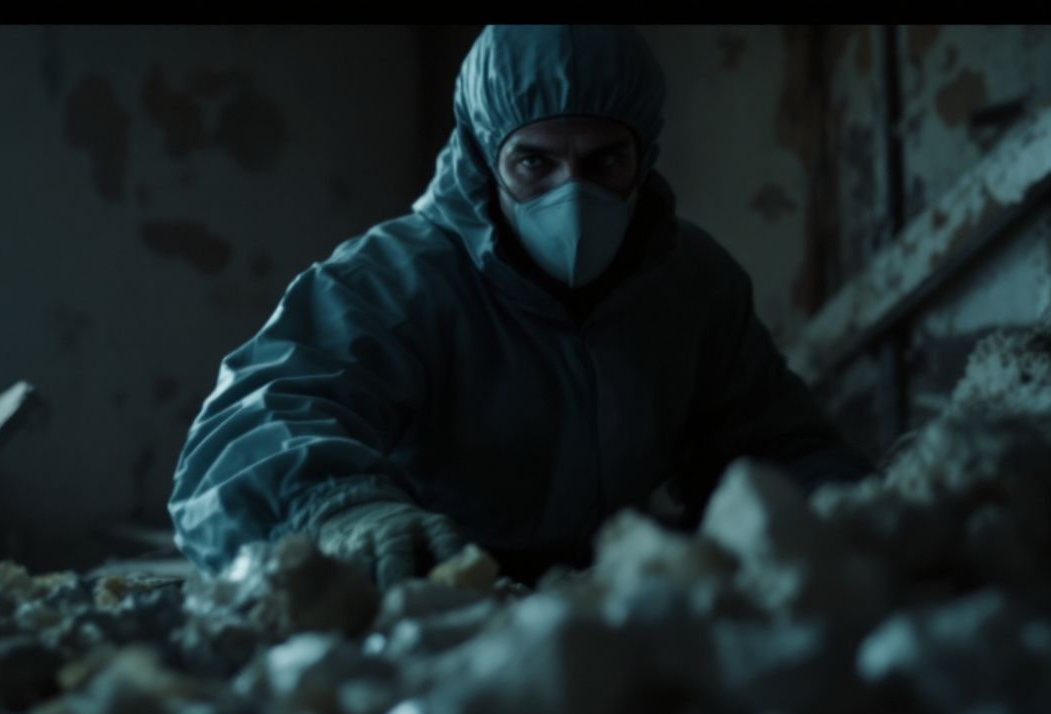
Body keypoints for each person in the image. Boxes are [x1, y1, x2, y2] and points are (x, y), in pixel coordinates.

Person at [167, 24, 875, 588]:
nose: (573, 198)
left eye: (604, 162)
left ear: (645, 154)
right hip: (430, 597)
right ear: (484, 156)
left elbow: (781, 447)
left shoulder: (692, 286)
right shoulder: (394, 278)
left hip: (611, 605)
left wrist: (847, 511)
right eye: (535, 162)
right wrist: (340, 512)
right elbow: (251, 425)